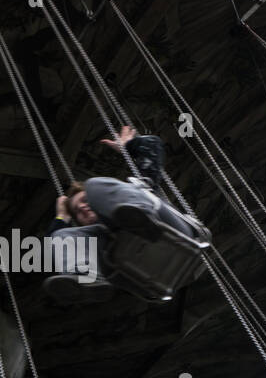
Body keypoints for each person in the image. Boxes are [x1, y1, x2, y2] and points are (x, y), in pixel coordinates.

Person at [44, 125, 199, 302]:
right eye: (78, 212)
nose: (83, 208)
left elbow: (154, 144)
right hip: (145, 272)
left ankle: (142, 216)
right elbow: (54, 248)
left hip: (169, 230)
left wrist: (129, 147)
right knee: (64, 236)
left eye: (86, 201)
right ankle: (86, 276)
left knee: (95, 185)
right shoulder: (100, 238)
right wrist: (62, 217)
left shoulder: (137, 194)